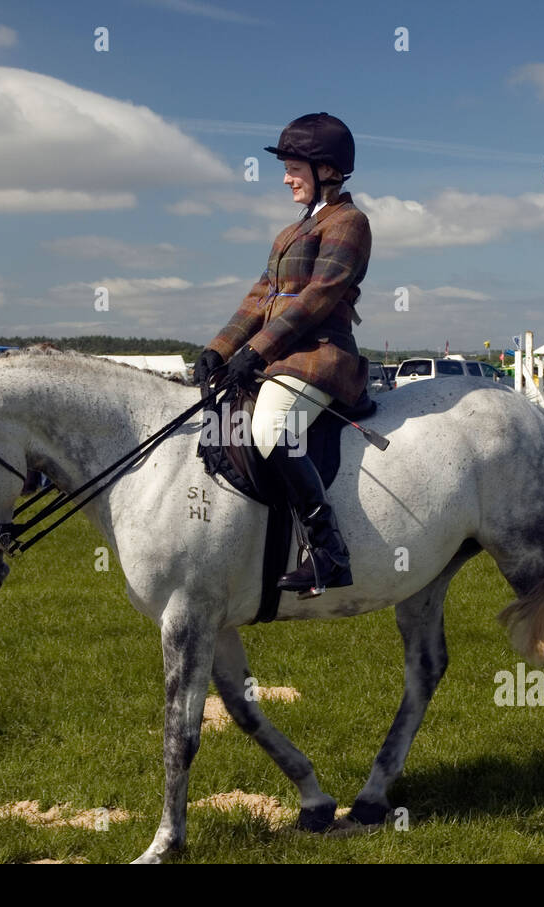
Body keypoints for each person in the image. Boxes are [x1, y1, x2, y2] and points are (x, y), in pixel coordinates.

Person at [193, 112, 370, 597]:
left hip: (320, 355)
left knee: (271, 427)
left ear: (327, 170)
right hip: (279, 356)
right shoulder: (293, 230)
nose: (287, 178)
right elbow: (261, 295)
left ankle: (328, 552)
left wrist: (256, 350)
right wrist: (219, 348)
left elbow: (317, 298)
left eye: (295, 168)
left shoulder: (350, 222)